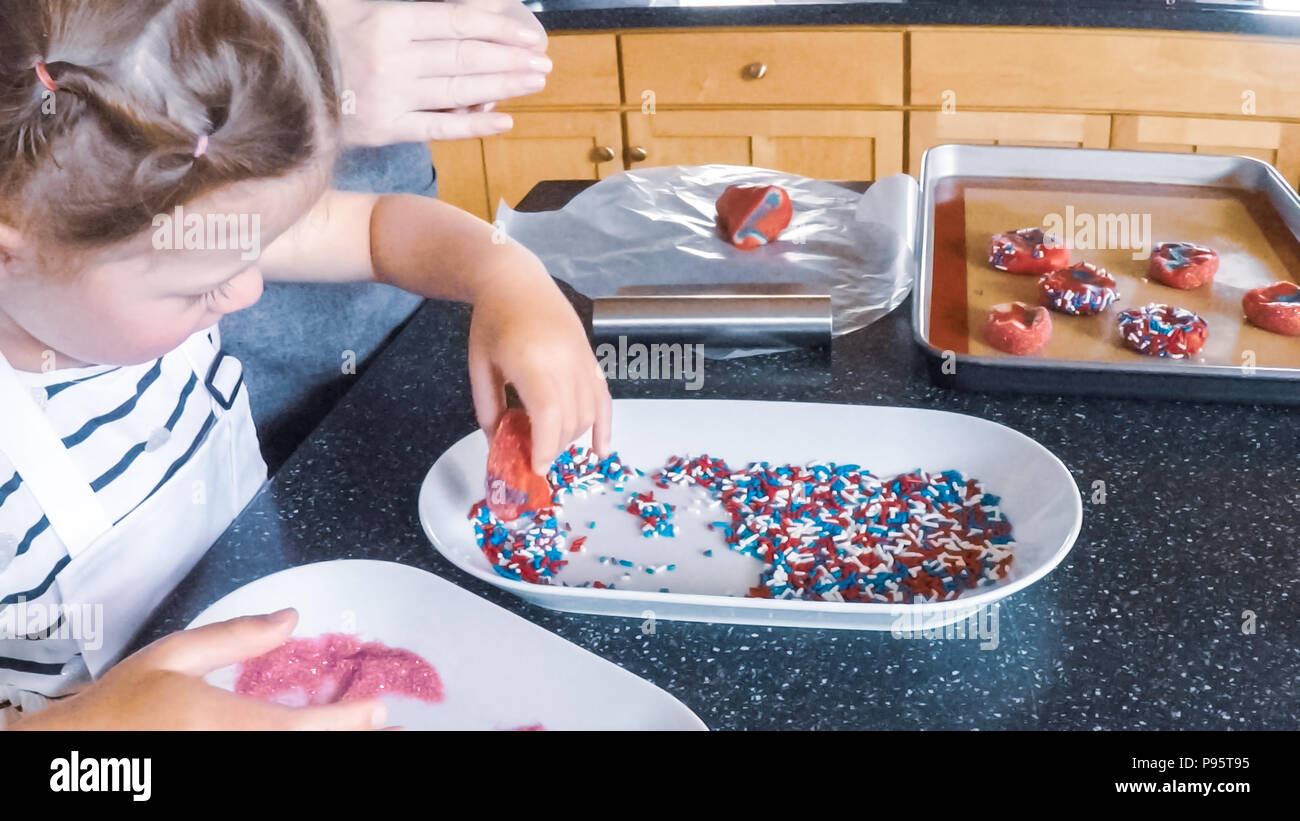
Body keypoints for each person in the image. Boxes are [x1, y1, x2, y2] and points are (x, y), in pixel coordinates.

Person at [0, 0, 609, 730]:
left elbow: (378, 227)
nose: (251, 289)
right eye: (202, 283)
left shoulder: (159, 232)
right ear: (14, 249)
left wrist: (506, 276)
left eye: (259, 248)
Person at [227, 0, 553, 472]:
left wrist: (489, 39)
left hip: (406, 307)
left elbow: (375, 230)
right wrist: (281, 67)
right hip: (236, 392)